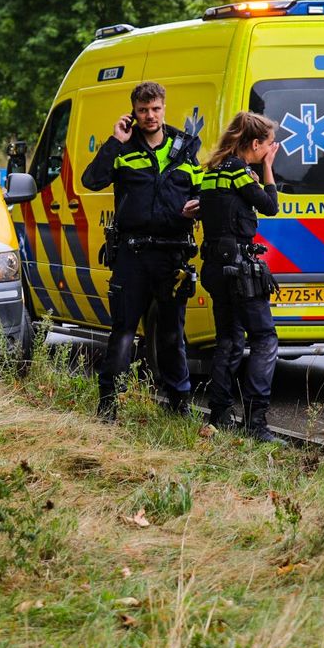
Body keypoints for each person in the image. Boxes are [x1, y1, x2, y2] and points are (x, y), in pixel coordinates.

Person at [82, 81, 203, 419]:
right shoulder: (124, 149)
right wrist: (114, 142)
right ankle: (108, 406)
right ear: (133, 112)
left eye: (155, 109)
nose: (150, 115)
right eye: (143, 110)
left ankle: (180, 407)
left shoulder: (185, 149)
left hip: (172, 256)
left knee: (171, 335)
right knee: (123, 332)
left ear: (164, 108)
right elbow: (92, 180)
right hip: (132, 255)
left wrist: (199, 206)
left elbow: (201, 191)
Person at [198, 111, 283, 443]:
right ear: (256, 143)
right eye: (269, 144)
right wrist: (268, 169)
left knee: (229, 340)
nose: (271, 149)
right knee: (264, 338)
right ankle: (256, 423)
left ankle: (219, 416)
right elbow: (269, 205)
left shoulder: (212, 171)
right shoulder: (239, 171)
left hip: (215, 267)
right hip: (240, 269)